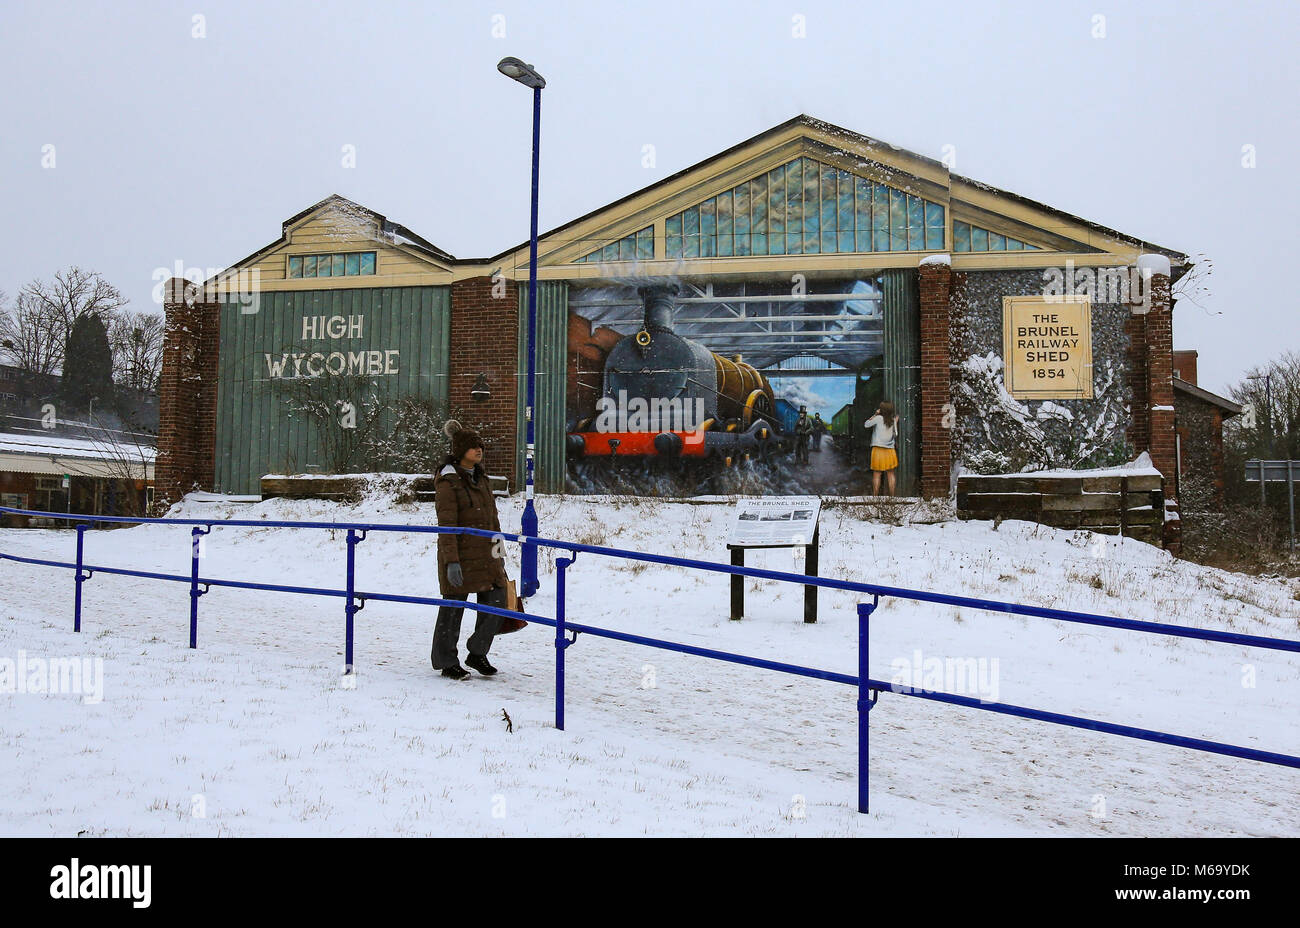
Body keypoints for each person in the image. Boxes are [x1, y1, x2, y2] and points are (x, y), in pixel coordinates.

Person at [431, 420, 509, 679]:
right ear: (460, 450)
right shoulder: (448, 480)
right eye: (473, 447)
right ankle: (446, 661)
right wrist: (451, 561)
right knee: (453, 608)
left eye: (480, 446)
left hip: (487, 555)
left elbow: (492, 518)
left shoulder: (482, 478)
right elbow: (447, 524)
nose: (479, 450)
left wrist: (500, 551)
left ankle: (477, 652)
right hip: (461, 555)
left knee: (498, 601)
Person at [864, 400, 900, 496]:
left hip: (878, 450)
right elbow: (896, 434)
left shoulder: (878, 418)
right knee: (890, 474)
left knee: (877, 474)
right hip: (890, 450)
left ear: (881, 410)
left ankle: (875, 496)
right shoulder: (892, 420)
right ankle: (892, 496)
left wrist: (875, 414)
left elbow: (866, 424)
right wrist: (895, 423)